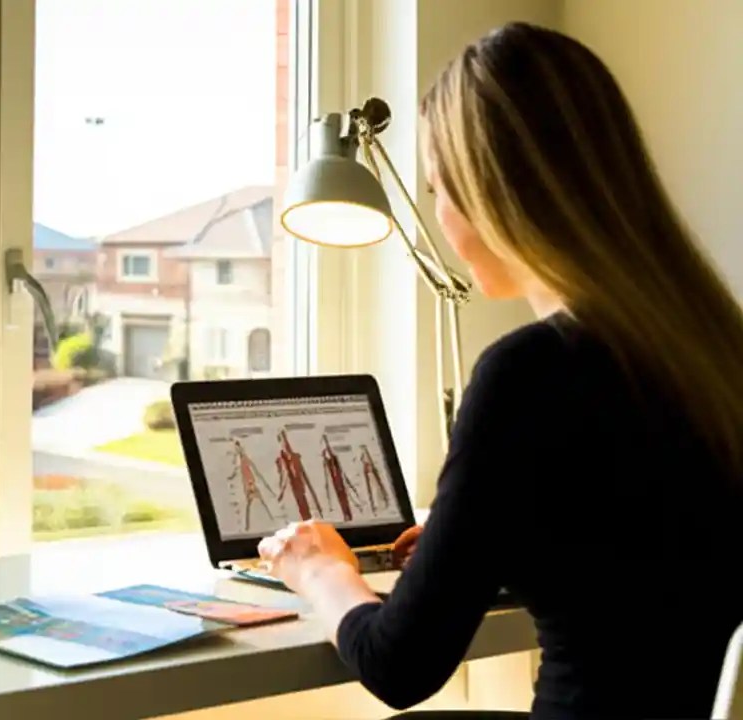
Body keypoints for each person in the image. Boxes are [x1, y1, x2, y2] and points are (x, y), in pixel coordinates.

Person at [258, 22, 743, 720]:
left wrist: (318, 568)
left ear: (489, 191)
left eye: (436, 190)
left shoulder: (532, 372)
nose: (442, 217)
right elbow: (651, 550)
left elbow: (400, 664)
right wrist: (485, 534)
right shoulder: (713, 347)